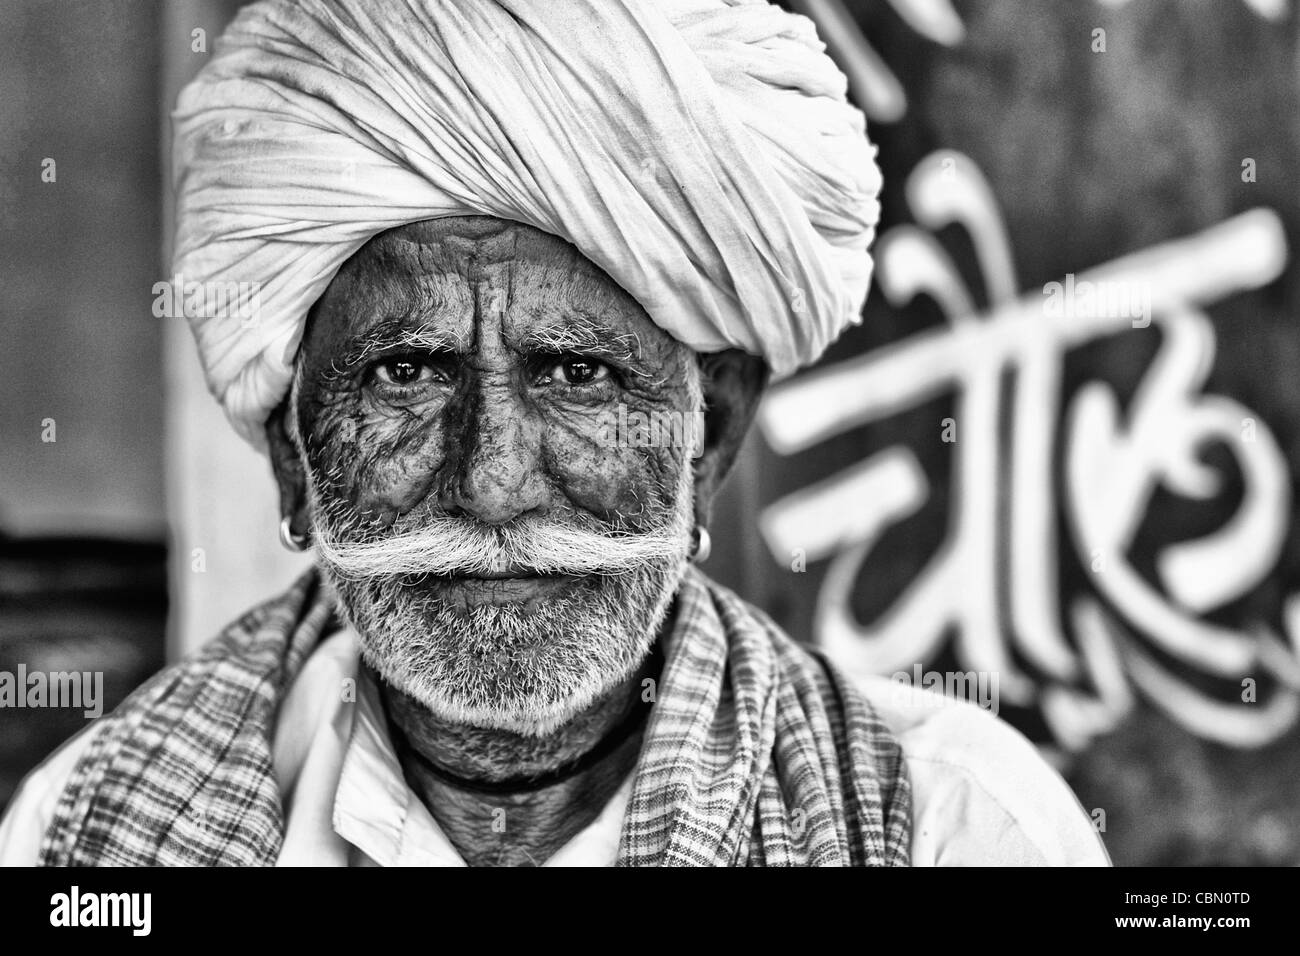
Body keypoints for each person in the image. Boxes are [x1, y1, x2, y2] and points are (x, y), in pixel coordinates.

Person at [0, 0, 1106, 866]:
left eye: (576, 373)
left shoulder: (955, 828)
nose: (490, 482)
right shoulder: (81, 831)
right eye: (404, 373)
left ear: (707, 436)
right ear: (294, 457)